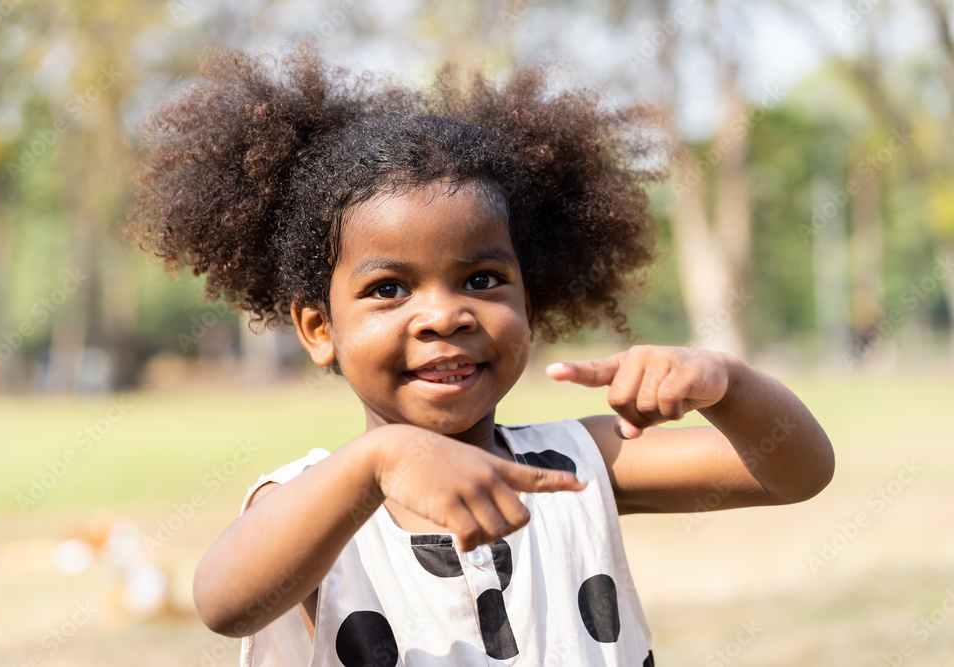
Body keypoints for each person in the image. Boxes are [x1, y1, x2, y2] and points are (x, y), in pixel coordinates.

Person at [125, 44, 834, 667]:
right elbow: (224, 602)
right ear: (318, 329)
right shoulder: (318, 499)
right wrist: (381, 463)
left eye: (483, 279)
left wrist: (729, 385)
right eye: (389, 287)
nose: (444, 314)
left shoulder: (573, 465)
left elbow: (794, 472)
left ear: (530, 304)